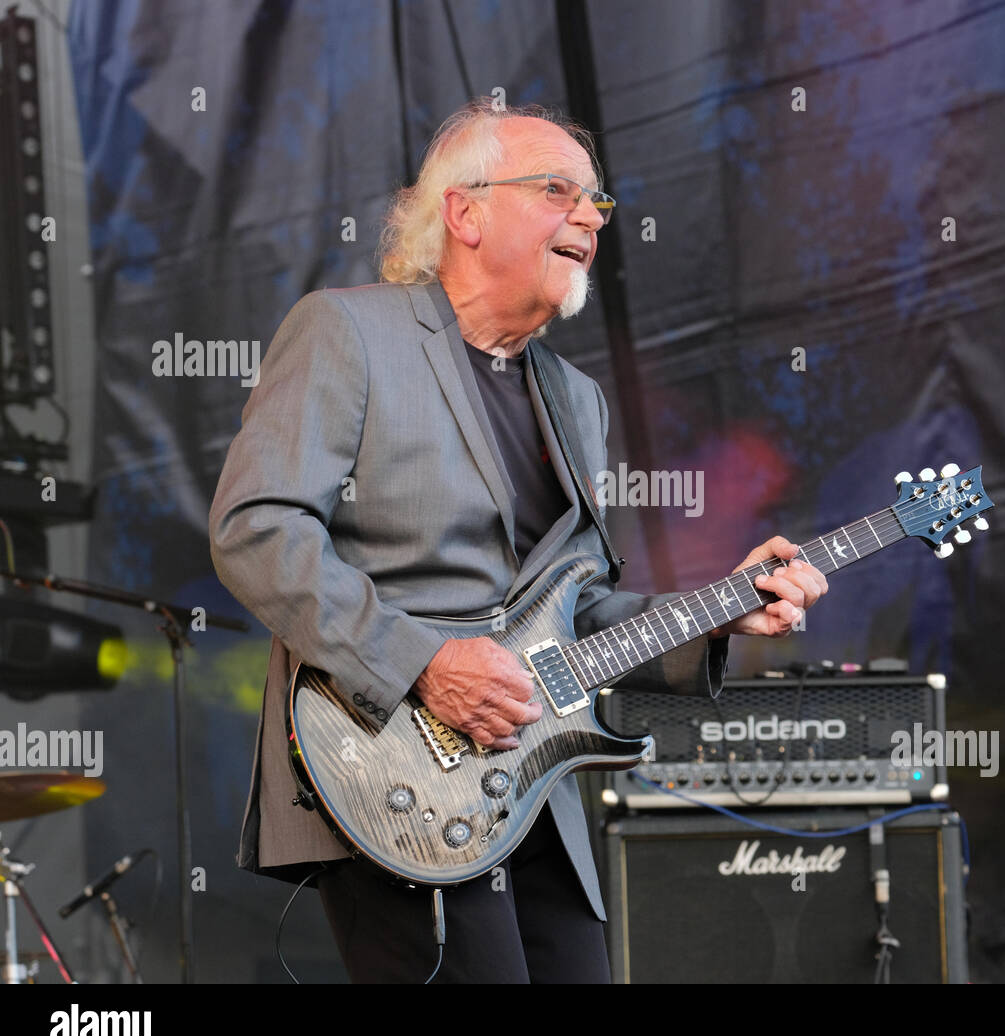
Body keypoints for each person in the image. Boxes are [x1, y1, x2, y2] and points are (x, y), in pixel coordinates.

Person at [209, 100, 827, 984]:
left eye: (596, 205)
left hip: (533, 794)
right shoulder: (349, 331)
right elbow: (254, 529)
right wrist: (425, 661)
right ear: (464, 212)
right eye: (557, 191)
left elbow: (575, 611)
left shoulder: (576, 399)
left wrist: (722, 612)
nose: (588, 217)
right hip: (391, 766)